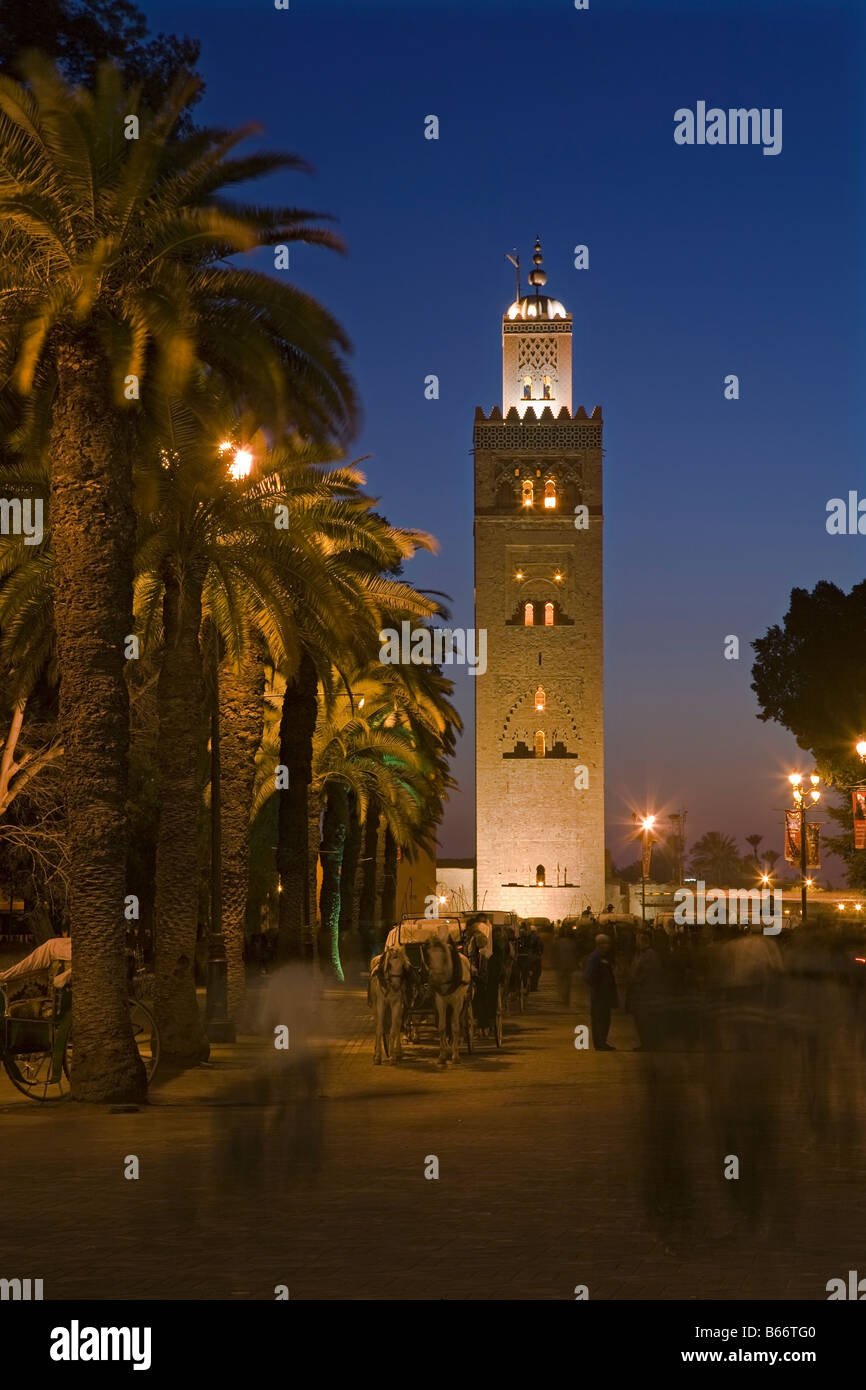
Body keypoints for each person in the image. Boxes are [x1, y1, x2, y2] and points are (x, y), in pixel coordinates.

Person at [626, 930, 665, 1050]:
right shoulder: (640, 954)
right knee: (641, 1020)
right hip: (639, 993)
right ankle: (646, 1043)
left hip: (646, 994)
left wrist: (636, 980)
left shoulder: (649, 955)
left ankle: (649, 1043)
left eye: (637, 940)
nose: (635, 942)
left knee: (646, 1020)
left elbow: (648, 974)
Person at [583, 933, 619, 1050]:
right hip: (599, 994)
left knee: (605, 1019)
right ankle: (600, 1043)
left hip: (604, 994)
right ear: (600, 944)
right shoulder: (595, 957)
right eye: (605, 943)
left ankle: (602, 1042)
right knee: (600, 1019)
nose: (608, 946)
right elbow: (589, 976)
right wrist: (598, 986)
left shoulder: (603, 957)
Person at [551, 926, 579, 1005]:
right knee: (568, 981)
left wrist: (553, 963)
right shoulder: (571, 942)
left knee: (561, 981)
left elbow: (554, 954)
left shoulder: (557, 943)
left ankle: (563, 996)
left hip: (560, 965)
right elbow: (576, 953)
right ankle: (566, 996)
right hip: (570, 965)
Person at [527, 925, 543, 991]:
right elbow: (541, 948)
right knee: (537, 973)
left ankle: (531, 986)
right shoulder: (538, 938)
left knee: (531, 972)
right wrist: (540, 953)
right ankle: (534, 987)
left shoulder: (528, 938)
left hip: (529, 957)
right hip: (536, 957)